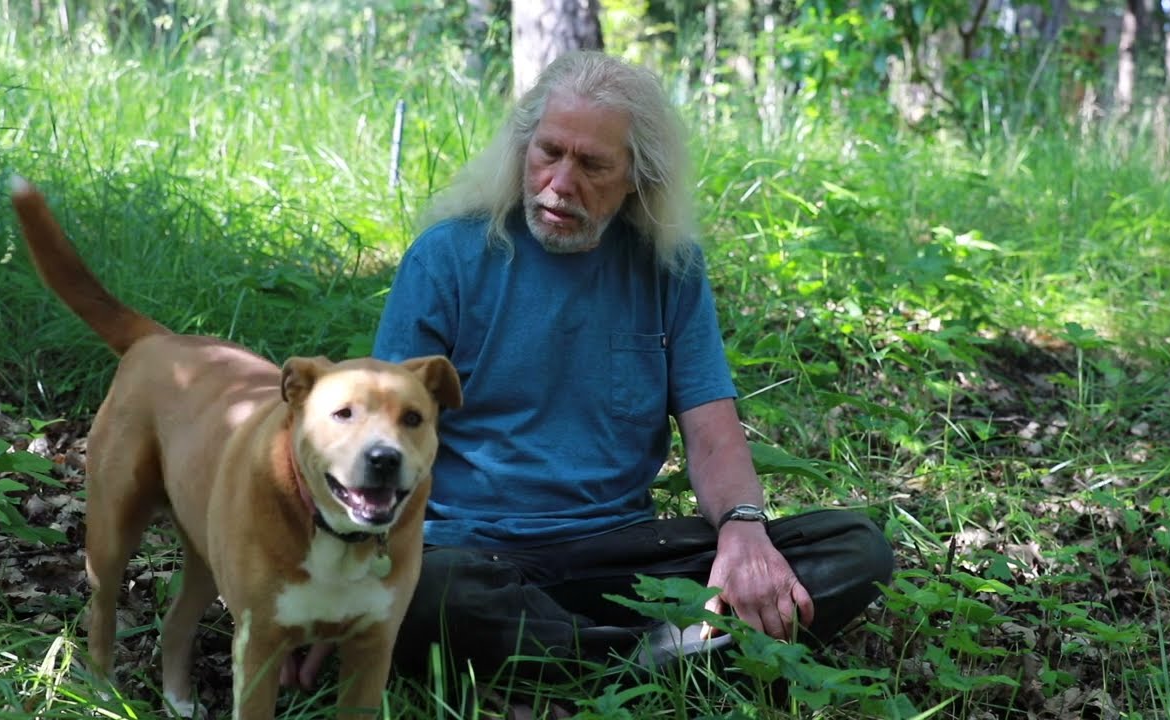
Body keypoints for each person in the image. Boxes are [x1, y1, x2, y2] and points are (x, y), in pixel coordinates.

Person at [282, 50, 893, 692]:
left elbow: (713, 435)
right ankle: (651, 664)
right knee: (431, 593)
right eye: (548, 152)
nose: (560, 182)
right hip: (467, 551)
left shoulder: (668, 267)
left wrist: (744, 534)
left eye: (593, 164)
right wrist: (336, 574)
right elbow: (374, 441)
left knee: (854, 547)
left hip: (618, 551)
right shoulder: (447, 258)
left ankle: (566, 666)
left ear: (637, 177)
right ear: (524, 147)